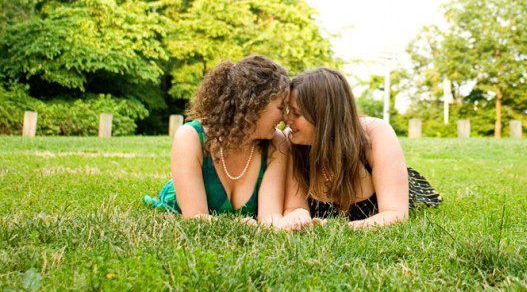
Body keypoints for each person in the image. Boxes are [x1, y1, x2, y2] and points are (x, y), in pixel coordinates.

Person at [144, 54, 302, 229]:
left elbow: (270, 218)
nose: (286, 117)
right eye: (281, 107)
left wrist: (294, 222)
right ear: (254, 103)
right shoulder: (191, 137)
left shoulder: (276, 143)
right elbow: (195, 218)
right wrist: (238, 225)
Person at [282, 66, 441, 229]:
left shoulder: (375, 133)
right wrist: (297, 215)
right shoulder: (292, 140)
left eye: (296, 113)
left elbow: (395, 214)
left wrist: (337, 228)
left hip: (395, 182)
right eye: (288, 110)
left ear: (324, 117)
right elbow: (295, 208)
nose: (286, 118)